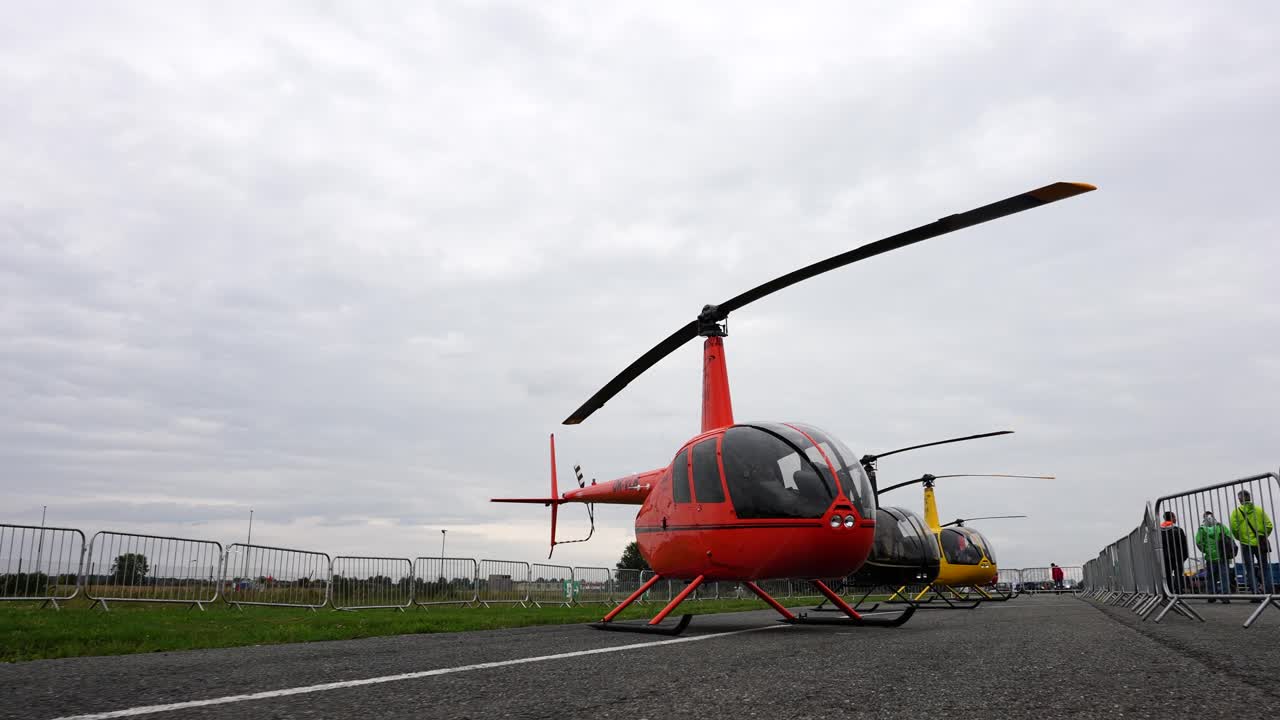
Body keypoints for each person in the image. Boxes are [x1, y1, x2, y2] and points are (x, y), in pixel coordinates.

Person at [1230, 490, 1275, 599]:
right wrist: (1263, 535)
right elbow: (1269, 525)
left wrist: (1240, 538)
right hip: (1260, 543)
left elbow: (1234, 528)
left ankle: (1255, 594)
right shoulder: (1259, 510)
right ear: (1249, 497)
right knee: (1264, 567)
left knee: (1249, 569)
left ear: (1240, 499)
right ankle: (1269, 594)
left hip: (1246, 544)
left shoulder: (1236, 512)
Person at [1194, 510, 1234, 603]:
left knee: (1211, 577)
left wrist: (1206, 550)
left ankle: (1212, 595)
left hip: (1210, 557)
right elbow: (1229, 538)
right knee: (1224, 577)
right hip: (1222, 555)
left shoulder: (1201, 529)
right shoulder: (1221, 527)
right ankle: (1225, 597)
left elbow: (1198, 542)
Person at [1159, 511, 1189, 594]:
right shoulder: (1178, 530)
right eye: (1174, 517)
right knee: (1178, 575)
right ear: (1171, 518)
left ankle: (1169, 593)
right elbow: (1184, 544)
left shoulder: (1159, 531)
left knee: (1167, 575)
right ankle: (1179, 593)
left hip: (1164, 557)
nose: (1175, 518)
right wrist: (1184, 556)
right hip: (1177, 557)